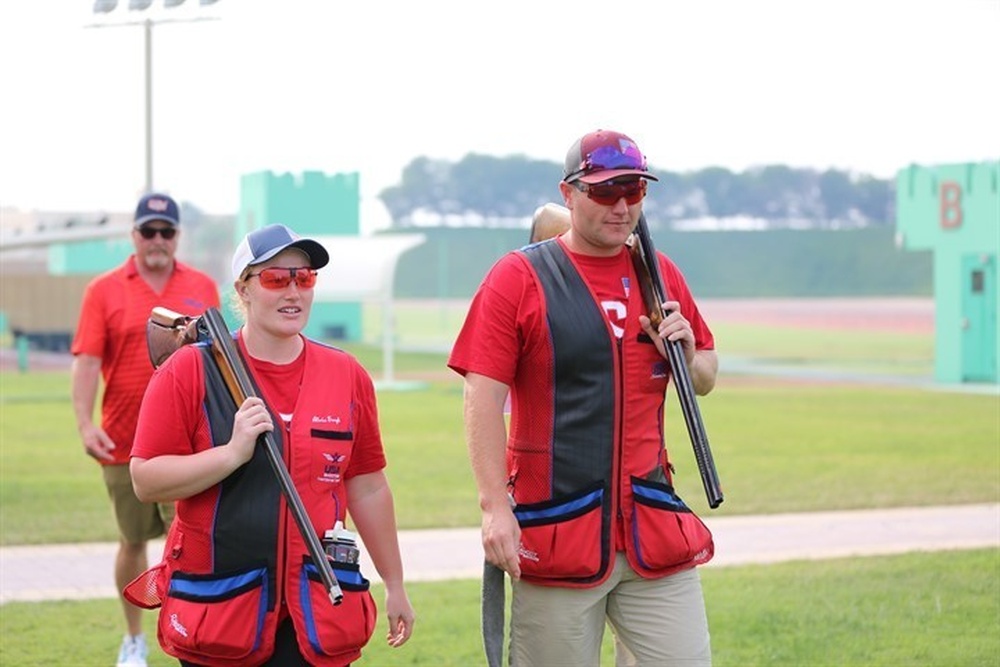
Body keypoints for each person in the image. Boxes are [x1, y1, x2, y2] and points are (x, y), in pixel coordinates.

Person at [448, 129, 719, 666]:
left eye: (634, 192)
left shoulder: (661, 275)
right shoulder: (517, 277)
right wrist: (493, 508)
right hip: (556, 532)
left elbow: (707, 373)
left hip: (651, 528)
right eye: (604, 191)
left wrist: (686, 353)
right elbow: (481, 398)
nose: (621, 206)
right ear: (569, 193)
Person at [126, 223, 415, 666]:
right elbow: (146, 479)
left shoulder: (347, 374)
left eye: (305, 278)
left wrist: (394, 582)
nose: (293, 292)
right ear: (243, 289)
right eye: (277, 279)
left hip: (315, 610)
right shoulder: (188, 370)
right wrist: (231, 453)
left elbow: (367, 485)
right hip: (221, 609)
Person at [71, 192, 221, 667]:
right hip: (123, 439)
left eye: (167, 231)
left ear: (178, 236)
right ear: (133, 234)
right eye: (148, 230)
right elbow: (88, 360)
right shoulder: (104, 289)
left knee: (195, 541)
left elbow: (221, 360)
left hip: (191, 444)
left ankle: (189, 630)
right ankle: (134, 639)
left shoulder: (202, 285)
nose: (158, 240)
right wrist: (84, 423)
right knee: (133, 541)